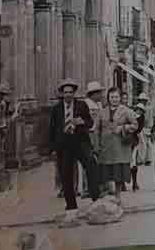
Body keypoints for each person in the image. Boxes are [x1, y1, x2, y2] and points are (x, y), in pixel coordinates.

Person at [49, 79, 99, 211]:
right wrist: (52, 148)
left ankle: (96, 198)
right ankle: (71, 205)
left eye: (71, 92)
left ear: (74, 93)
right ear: (62, 94)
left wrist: (81, 121)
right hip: (64, 145)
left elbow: (90, 123)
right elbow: (52, 130)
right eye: (65, 93)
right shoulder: (56, 109)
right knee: (65, 174)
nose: (68, 95)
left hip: (80, 142)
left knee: (91, 163)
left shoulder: (81, 106)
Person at [96, 87, 138, 204]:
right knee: (106, 172)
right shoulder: (102, 112)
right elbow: (97, 129)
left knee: (118, 172)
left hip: (120, 146)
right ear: (108, 98)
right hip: (106, 147)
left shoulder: (126, 111)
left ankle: (118, 195)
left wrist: (124, 128)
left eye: (116, 97)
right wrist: (97, 144)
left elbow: (135, 125)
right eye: (112, 97)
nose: (114, 99)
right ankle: (108, 195)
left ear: (120, 98)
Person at [82, 81, 104, 198]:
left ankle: (95, 187)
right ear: (93, 94)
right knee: (90, 161)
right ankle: (87, 189)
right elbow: (92, 125)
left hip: (97, 134)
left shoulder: (98, 104)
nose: (101, 95)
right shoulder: (89, 106)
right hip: (90, 135)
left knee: (96, 161)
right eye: (99, 93)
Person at [130, 104, 147, 191]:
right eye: (138, 109)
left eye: (140, 110)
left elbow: (138, 130)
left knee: (133, 162)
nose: (138, 111)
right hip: (128, 140)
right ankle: (131, 183)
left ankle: (134, 183)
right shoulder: (131, 114)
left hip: (133, 141)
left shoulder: (141, 119)